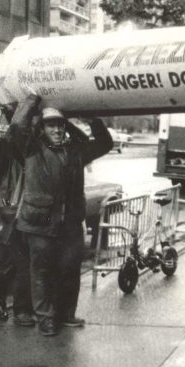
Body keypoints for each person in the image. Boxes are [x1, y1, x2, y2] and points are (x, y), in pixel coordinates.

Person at [10, 95, 113, 337]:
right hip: (39, 222)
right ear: (42, 129)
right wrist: (32, 101)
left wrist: (89, 119)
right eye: (51, 125)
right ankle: (45, 318)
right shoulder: (32, 149)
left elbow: (105, 143)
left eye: (60, 125)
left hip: (69, 223)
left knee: (69, 268)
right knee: (41, 272)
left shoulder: (75, 151)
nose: (56, 129)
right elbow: (17, 128)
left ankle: (66, 314)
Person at [0, 104, 35, 326]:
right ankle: (0, 302)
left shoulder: (23, 155)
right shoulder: (1, 156)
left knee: (12, 263)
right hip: (0, 215)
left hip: (15, 214)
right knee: (1, 262)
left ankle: (6, 304)